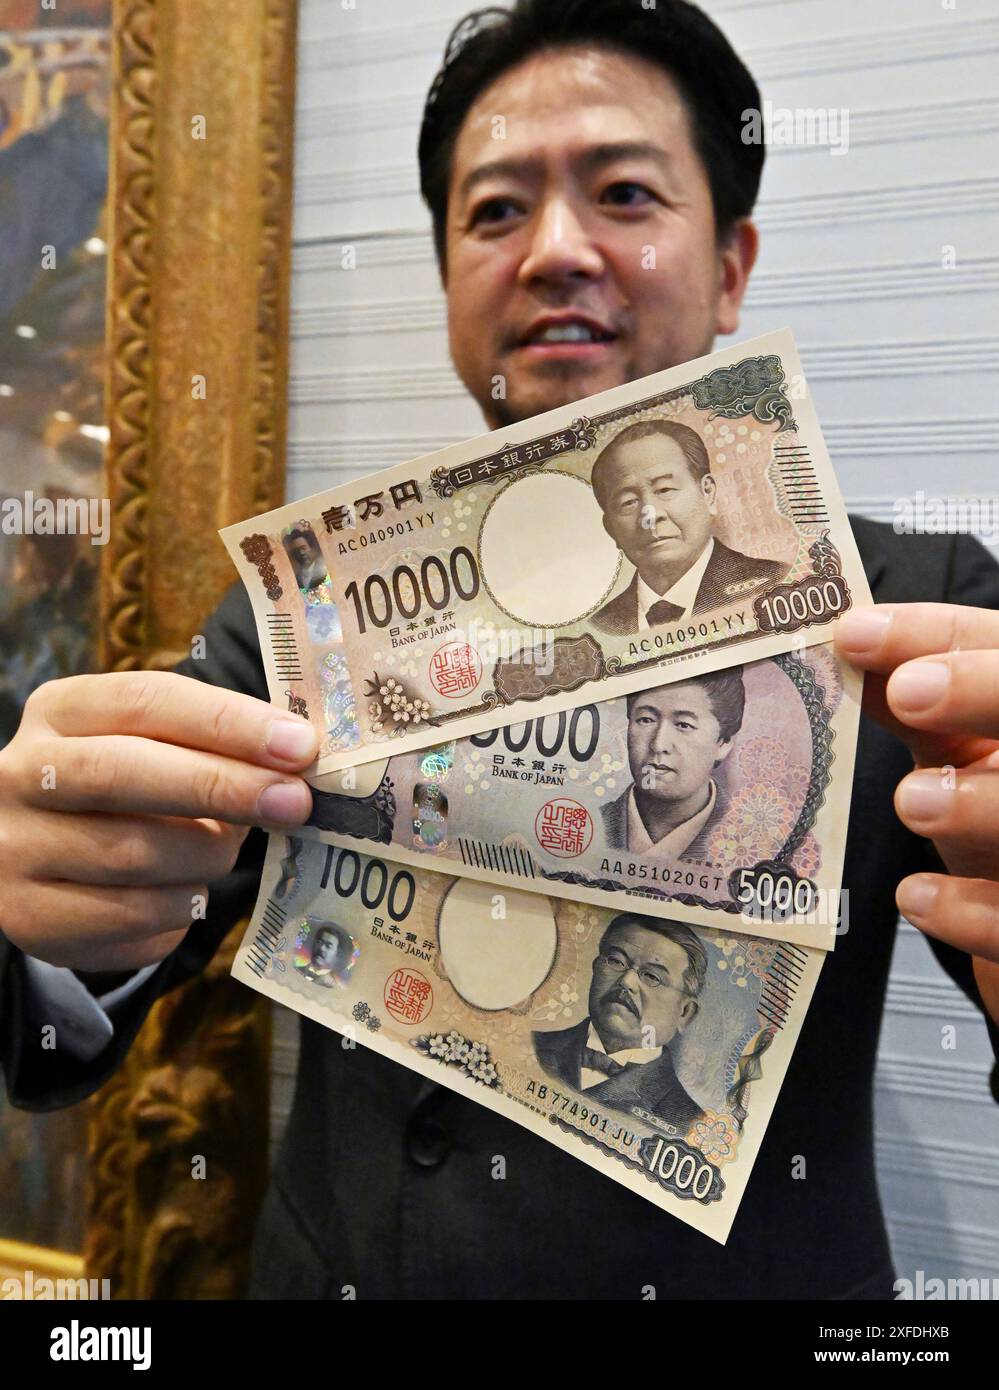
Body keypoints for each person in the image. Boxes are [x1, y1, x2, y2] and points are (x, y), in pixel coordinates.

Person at [1, 0, 997, 1301]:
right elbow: (96, 967)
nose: (555, 250)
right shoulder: (312, 621)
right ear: (447, 283)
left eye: (624, 193)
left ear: (731, 263)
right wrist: (38, 902)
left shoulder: (916, 612)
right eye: (492, 212)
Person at [590, 420, 786, 633]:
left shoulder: (776, 584)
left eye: (665, 489)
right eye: (628, 502)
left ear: (707, 493)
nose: (651, 515)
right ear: (610, 528)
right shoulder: (602, 627)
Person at [533, 914, 705, 1134]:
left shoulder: (690, 1124)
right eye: (616, 961)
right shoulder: (529, 1044)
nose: (626, 981)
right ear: (596, 968)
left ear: (685, 1013)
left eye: (652, 976)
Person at [602, 667, 744, 856]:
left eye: (684, 725)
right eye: (646, 720)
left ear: (723, 742)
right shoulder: (590, 824)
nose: (658, 744)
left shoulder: (748, 844)